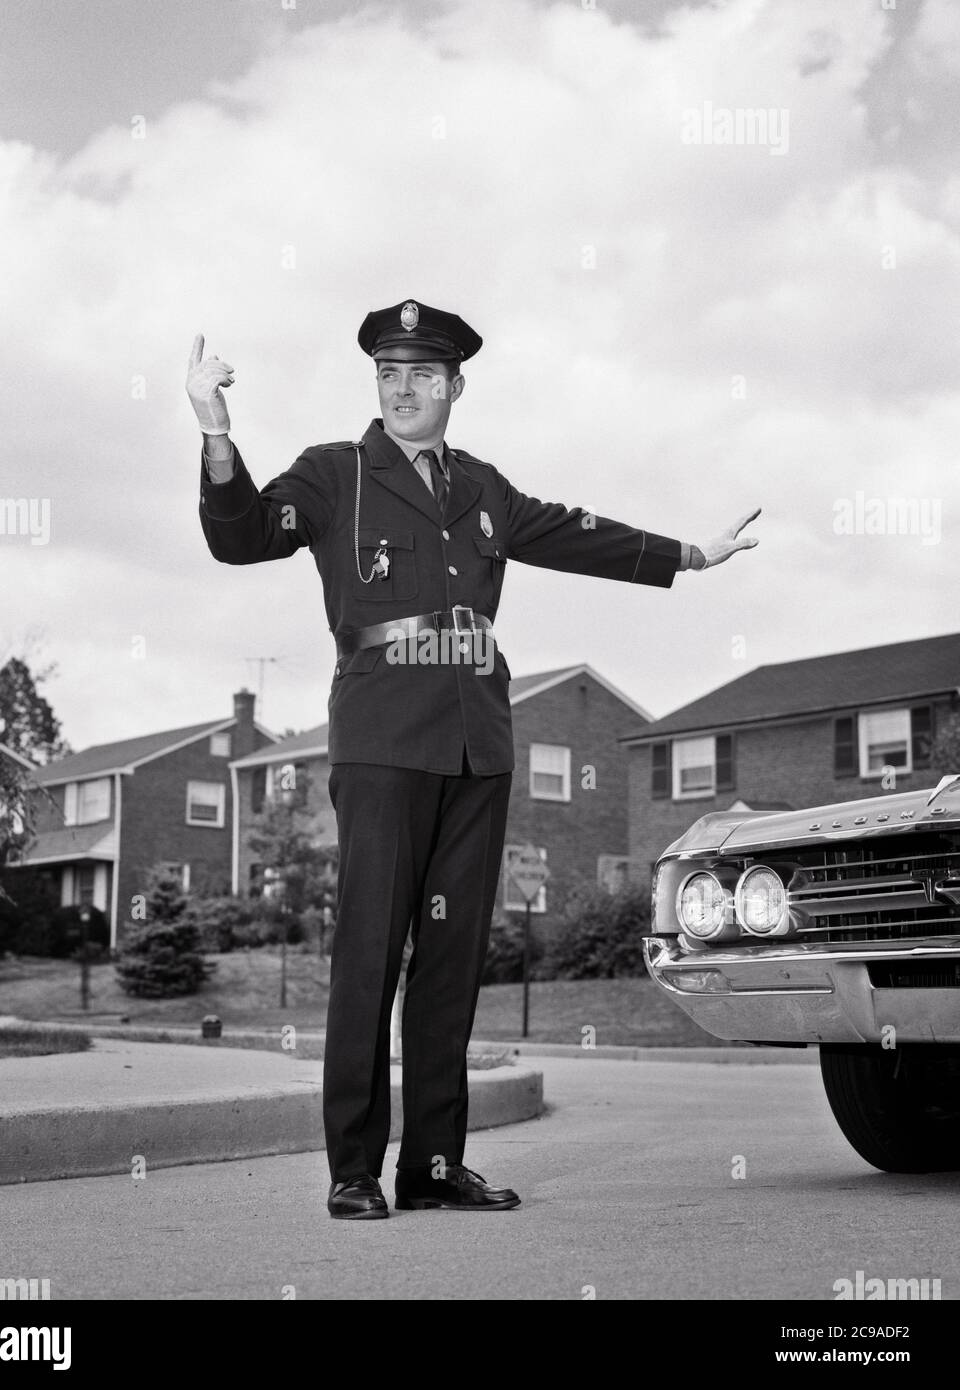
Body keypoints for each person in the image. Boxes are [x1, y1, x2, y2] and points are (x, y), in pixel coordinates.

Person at [188, 299, 759, 1219]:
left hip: (476, 748)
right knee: (370, 954)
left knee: (452, 960)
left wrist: (689, 553)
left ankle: (436, 1165)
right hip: (381, 746)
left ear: (455, 385)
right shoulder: (337, 475)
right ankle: (354, 1169)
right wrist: (217, 432)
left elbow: (577, 532)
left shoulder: (485, 489)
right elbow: (242, 534)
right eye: (388, 372)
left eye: (421, 373)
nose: (402, 387)